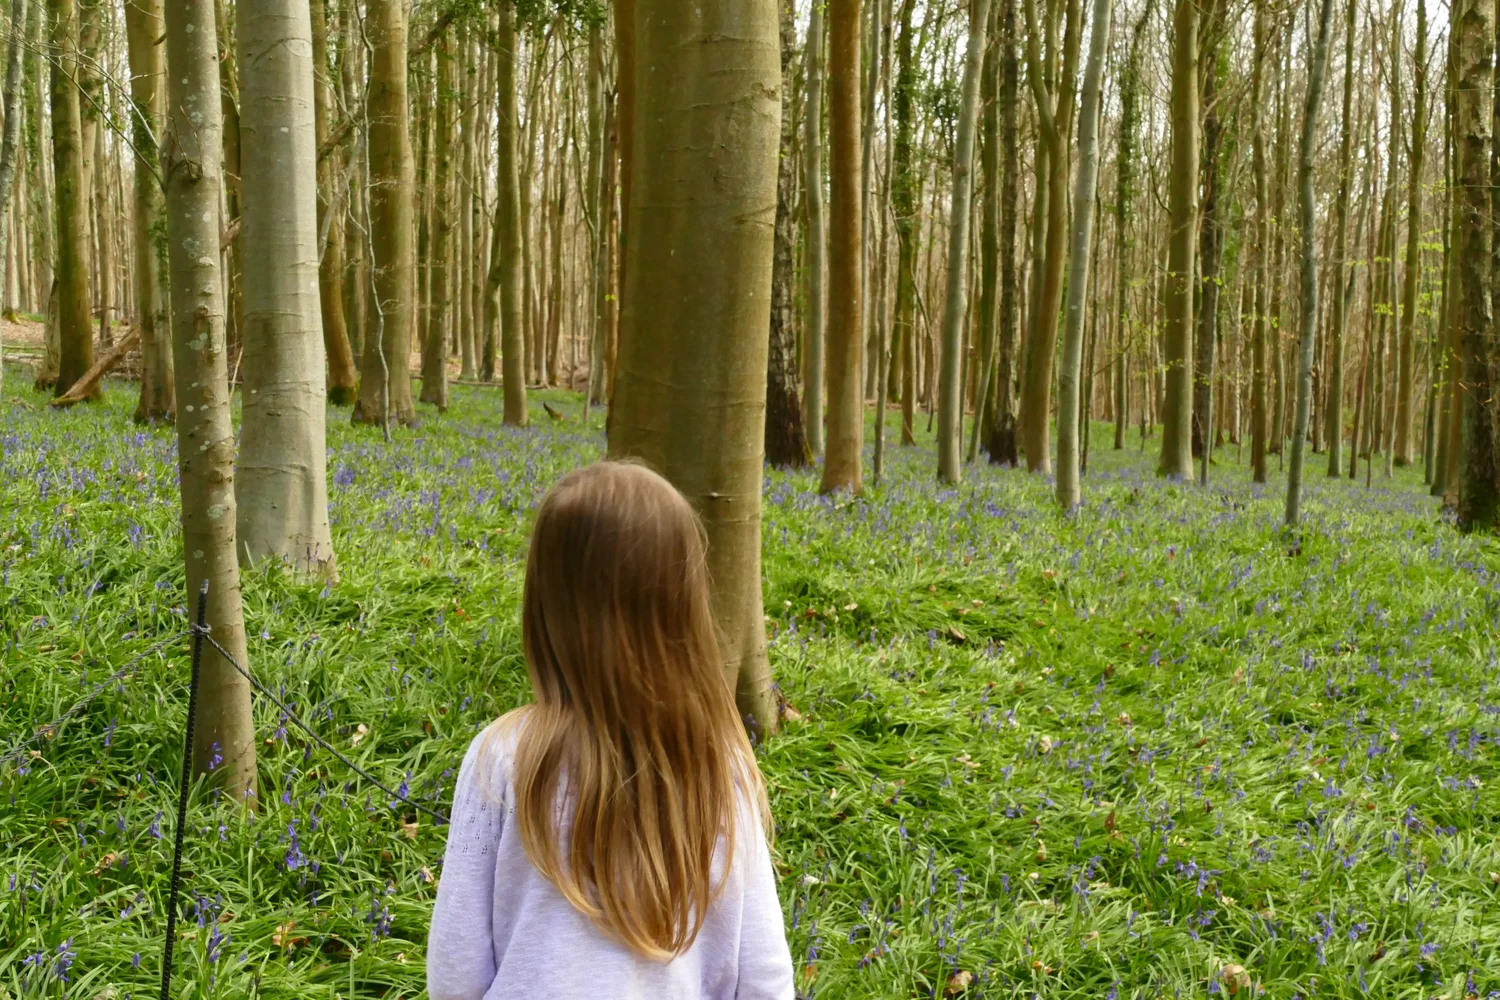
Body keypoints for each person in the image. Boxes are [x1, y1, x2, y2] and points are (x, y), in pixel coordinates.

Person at [427, 461, 793, 1000]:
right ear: (683, 608)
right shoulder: (723, 767)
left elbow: (456, 972)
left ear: (545, 604)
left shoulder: (499, 758)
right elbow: (763, 979)